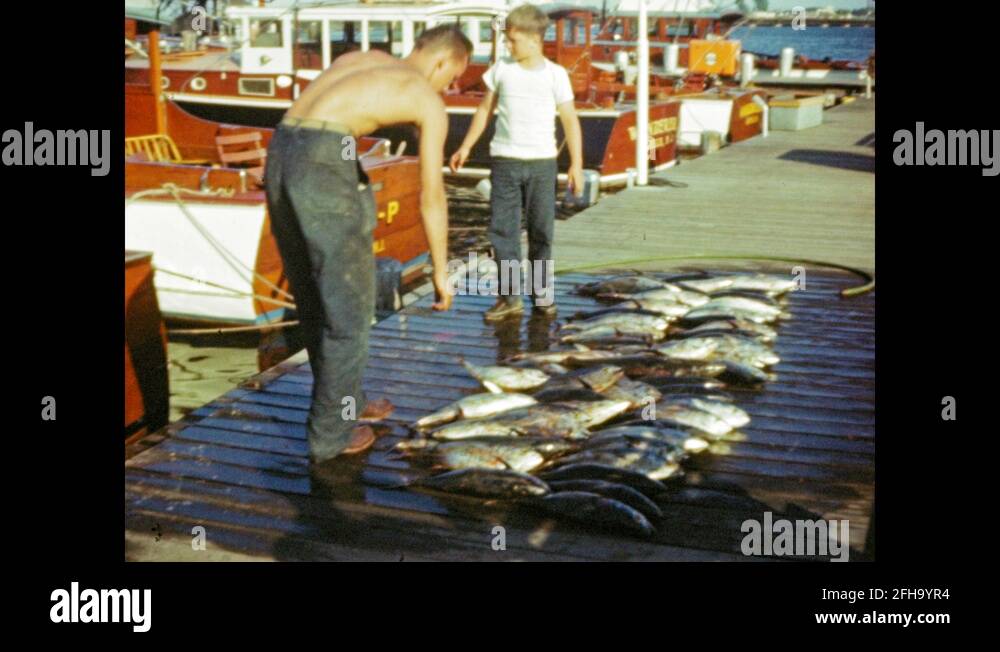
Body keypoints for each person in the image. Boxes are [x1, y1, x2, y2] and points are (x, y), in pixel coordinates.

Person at [264, 25, 468, 463]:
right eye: (451, 79)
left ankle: (347, 403)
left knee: (314, 295)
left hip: (282, 148)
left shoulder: (360, 59)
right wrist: (440, 270)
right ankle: (331, 438)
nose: (448, 89)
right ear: (442, 62)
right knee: (350, 310)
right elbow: (431, 194)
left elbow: (320, 126)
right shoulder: (427, 98)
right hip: (323, 157)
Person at [449, 4, 584, 321]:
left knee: (541, 231)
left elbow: (570, 120)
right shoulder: (502, 69)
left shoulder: (556, 75)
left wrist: (575, 164)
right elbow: (484, 111)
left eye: (512, 40)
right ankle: (510, 298)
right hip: (505, 162)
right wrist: (466, 146)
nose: (507, 46)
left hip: (542, 164)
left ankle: (541, 295)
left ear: (535, 40)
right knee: (503, 232)